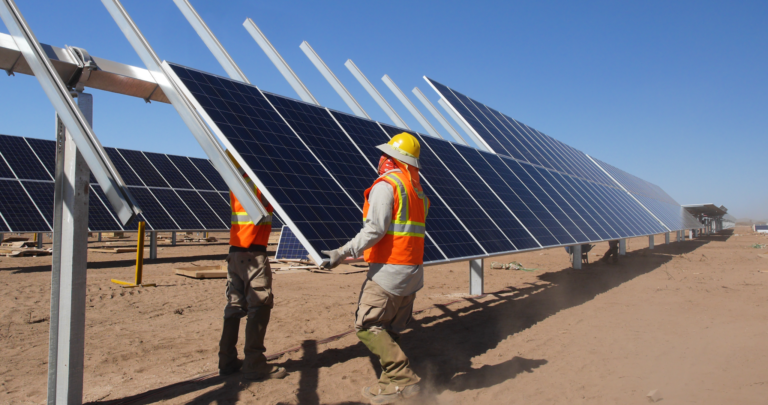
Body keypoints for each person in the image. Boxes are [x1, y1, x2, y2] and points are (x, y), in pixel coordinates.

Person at [322, 133, 429, 404]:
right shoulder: (416, 190)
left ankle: (404, 380)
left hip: (389, 272)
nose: (381, 159)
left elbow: (376, 229)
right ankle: (388, 388)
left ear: (394, 159)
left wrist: (342, 252)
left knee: (367, 326)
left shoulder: (388, 184)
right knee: (390, 329)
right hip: (412, 271)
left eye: (386, 155)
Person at [218, 151, 287, 381]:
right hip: (253, 252)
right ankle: (254, 362)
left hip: (235, 252)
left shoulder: (236, 178)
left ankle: (226, 361)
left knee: (234, 305)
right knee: (260, 305)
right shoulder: (257, 179)